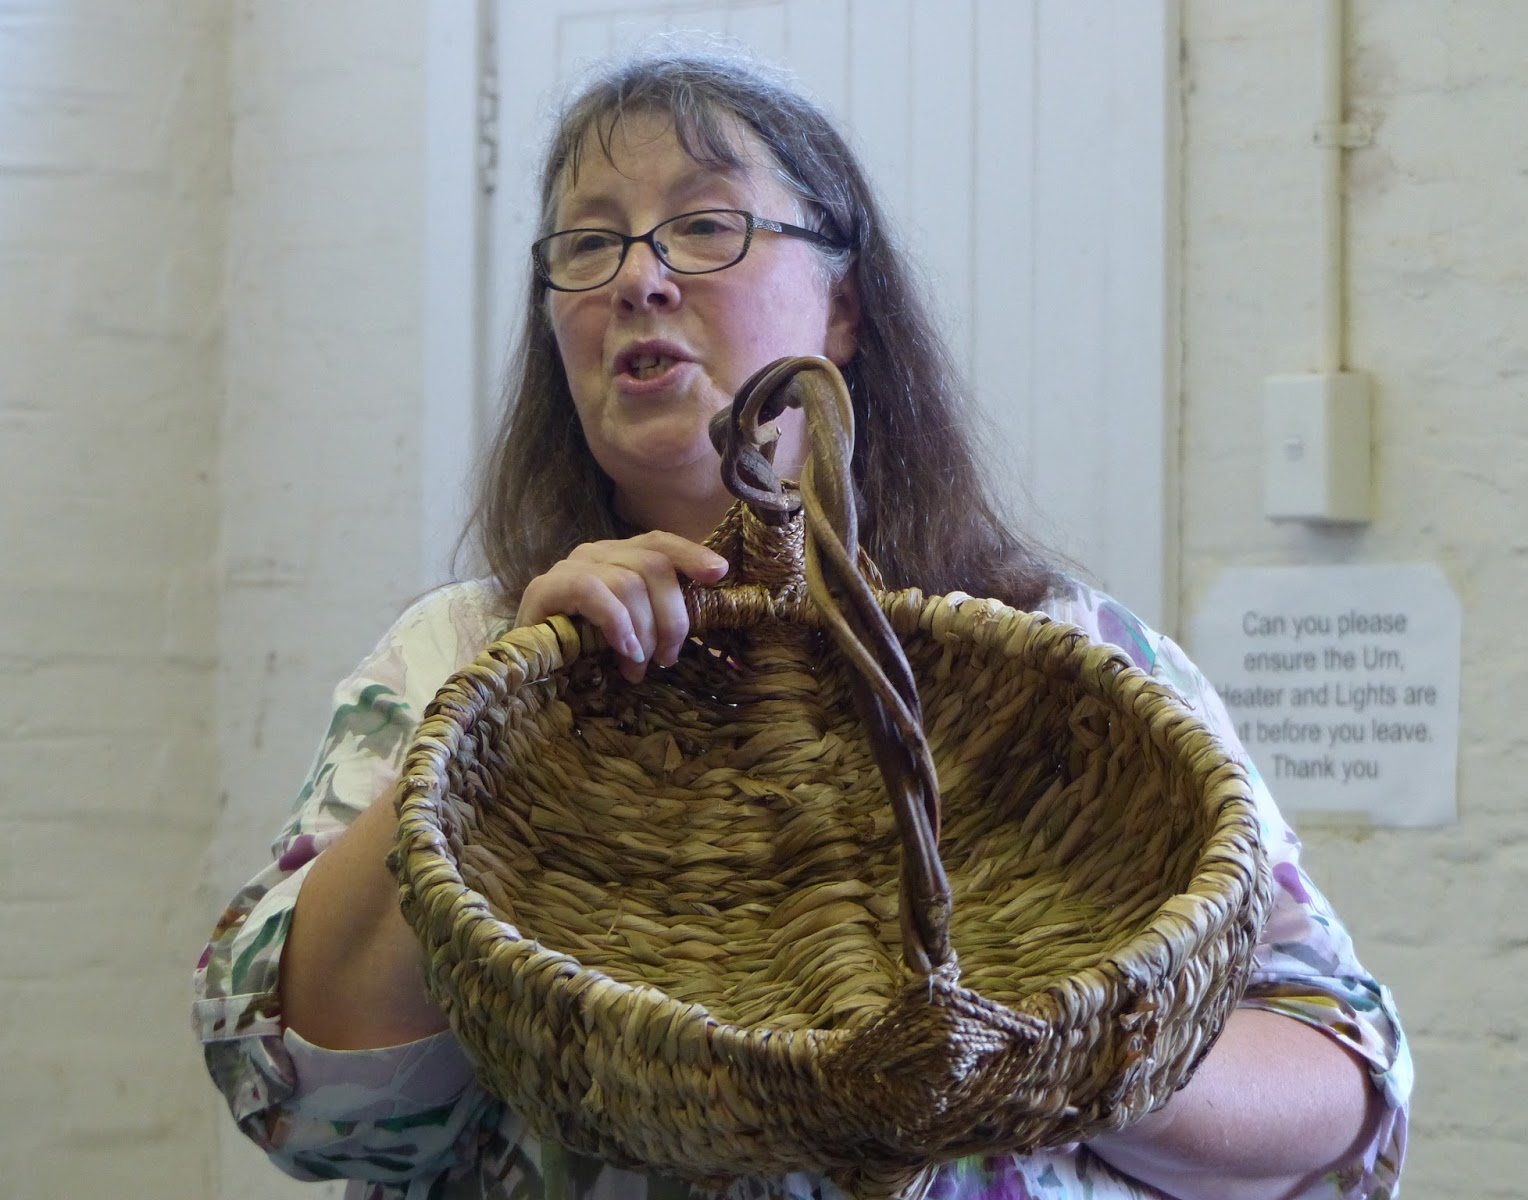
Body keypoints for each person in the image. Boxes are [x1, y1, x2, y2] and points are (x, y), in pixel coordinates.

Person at [193, 49, 1411, 1200]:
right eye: (588, 241)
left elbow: (1346, 1090)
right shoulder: (454, 658)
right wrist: (486, 741)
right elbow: (290, 1090)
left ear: (843, 310)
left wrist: (1059, 1049)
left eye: (707, 223)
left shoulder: (1078, 661)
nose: (637, 276)